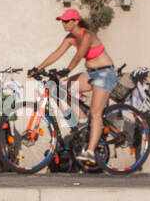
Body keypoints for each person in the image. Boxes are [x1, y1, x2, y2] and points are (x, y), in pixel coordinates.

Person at [34, 8, 117, 166]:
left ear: (76, 21)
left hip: (105, 73)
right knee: (60, 87)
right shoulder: (70, 38)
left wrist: (66, 70)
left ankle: (91, 152)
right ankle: (82, 119)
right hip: (91, 73)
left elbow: (79, 55)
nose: (63, 24)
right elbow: (56, 53)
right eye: (62, 21)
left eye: (66, 21)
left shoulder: (87, 35)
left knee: (96, 113)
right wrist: (38, 68)